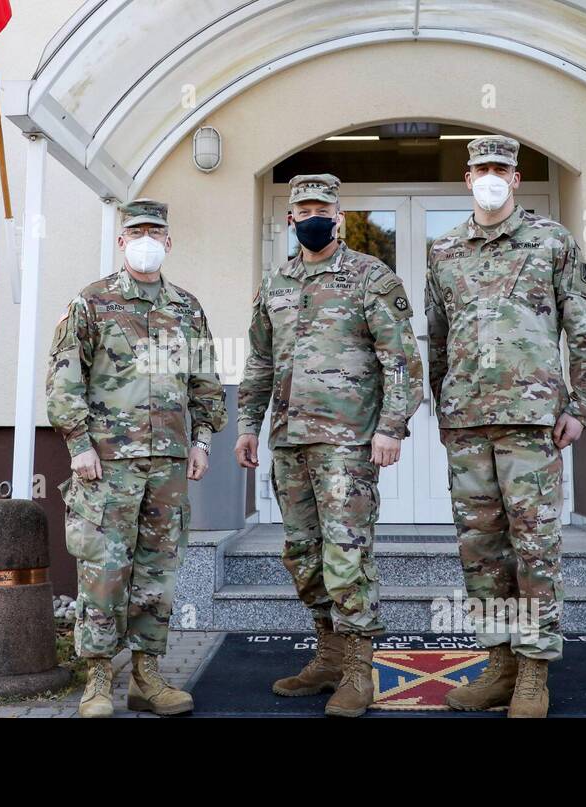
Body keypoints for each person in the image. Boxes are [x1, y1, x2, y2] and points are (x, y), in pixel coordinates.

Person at [424, 136, 586, 718]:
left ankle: (534, 672)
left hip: (533, 422)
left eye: (500, 167)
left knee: (535, 547)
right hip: (467, 421)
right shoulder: (444, 249)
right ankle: (499, 664)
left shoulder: (551, 241)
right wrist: (440, 407)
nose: (490, 176)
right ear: (466, 177)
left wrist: (580, 405)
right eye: (481, 168)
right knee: (481, 551)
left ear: (517, 176)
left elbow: (583, 326)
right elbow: (435, 336)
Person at [236, 173, 423, 717]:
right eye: (303, 208)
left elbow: (402, 360)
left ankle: (361, 673)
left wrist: (392, 427)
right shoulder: (276, 285)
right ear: (290, 218)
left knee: (347, 556)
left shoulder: (371, 277)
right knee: (302, 555)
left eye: (322, 207)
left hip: (348, 444)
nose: (312, 216)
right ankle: (329, 655)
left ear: (338, 217)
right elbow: (259, 362)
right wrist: (247, 424)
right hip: (288, 443)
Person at [46, 199, 226, 718]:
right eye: (136, 231)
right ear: (121, 241)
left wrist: (202, 441)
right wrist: (78, 445)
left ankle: (146, 676)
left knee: (156, 570)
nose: (146, 239)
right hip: (107, 462)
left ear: (168, 242)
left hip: (168, 461)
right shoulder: (92, 302)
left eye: (156, 231)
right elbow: (64, 378)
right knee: (105, 568)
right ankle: (98, 678)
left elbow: (205, 382)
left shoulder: (187, 308)